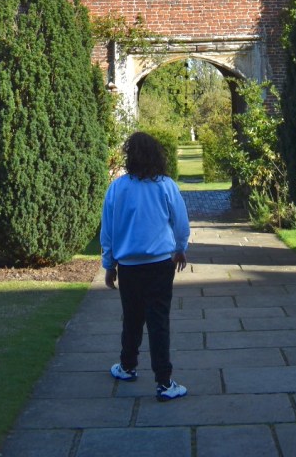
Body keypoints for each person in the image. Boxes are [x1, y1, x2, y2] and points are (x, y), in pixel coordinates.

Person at [100, 131, 190, 401]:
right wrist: (180, 248)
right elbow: (181, 222)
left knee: (132, 318)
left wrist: (109, 264)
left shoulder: (118, 187)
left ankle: (127, 366)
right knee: (158, 321)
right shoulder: (165, 185)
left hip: (128, 266)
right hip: (160, 264)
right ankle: (164, 382)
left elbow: (109, 230)